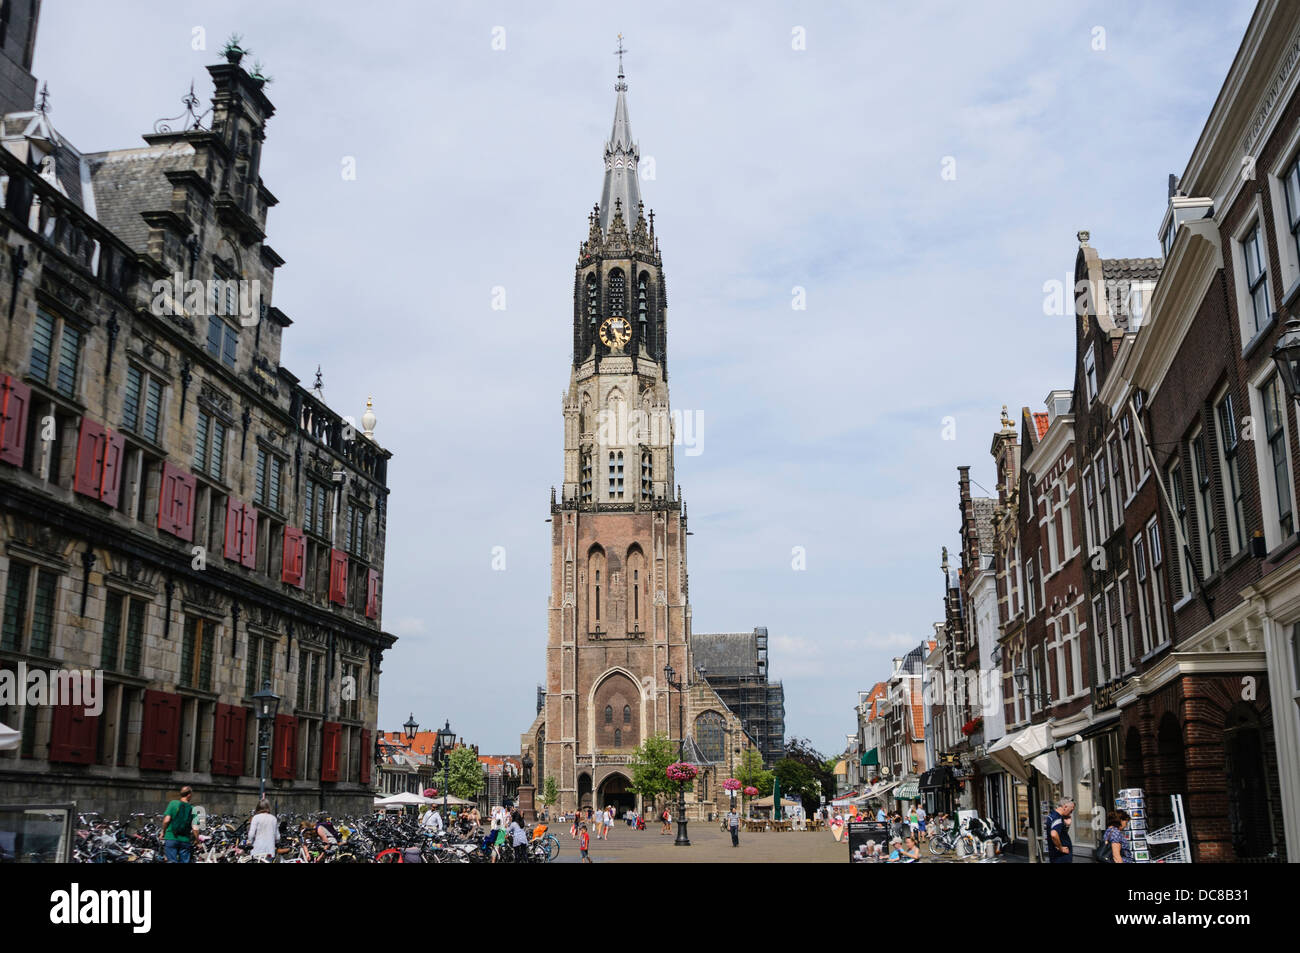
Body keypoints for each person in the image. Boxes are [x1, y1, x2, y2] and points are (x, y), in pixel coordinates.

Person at [161, 785, 197, 863]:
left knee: (171, 861)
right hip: (185, 840)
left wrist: (163, 832)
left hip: (171, 837)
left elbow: (166, 821)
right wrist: (197, 840)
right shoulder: (193, 809)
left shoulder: (173, 803)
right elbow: (195, 828)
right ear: (189, 795)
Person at [1045, 796, 1075, 863]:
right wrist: (1061, 848)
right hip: (1061, 857)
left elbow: (1059, 834)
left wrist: (1067, 826)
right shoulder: (1057, 818)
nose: (1071, 813)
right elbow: (1054, 834)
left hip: (1057, 856)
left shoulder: (1053, 815)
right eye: (1071, 810)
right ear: (1065, 807)